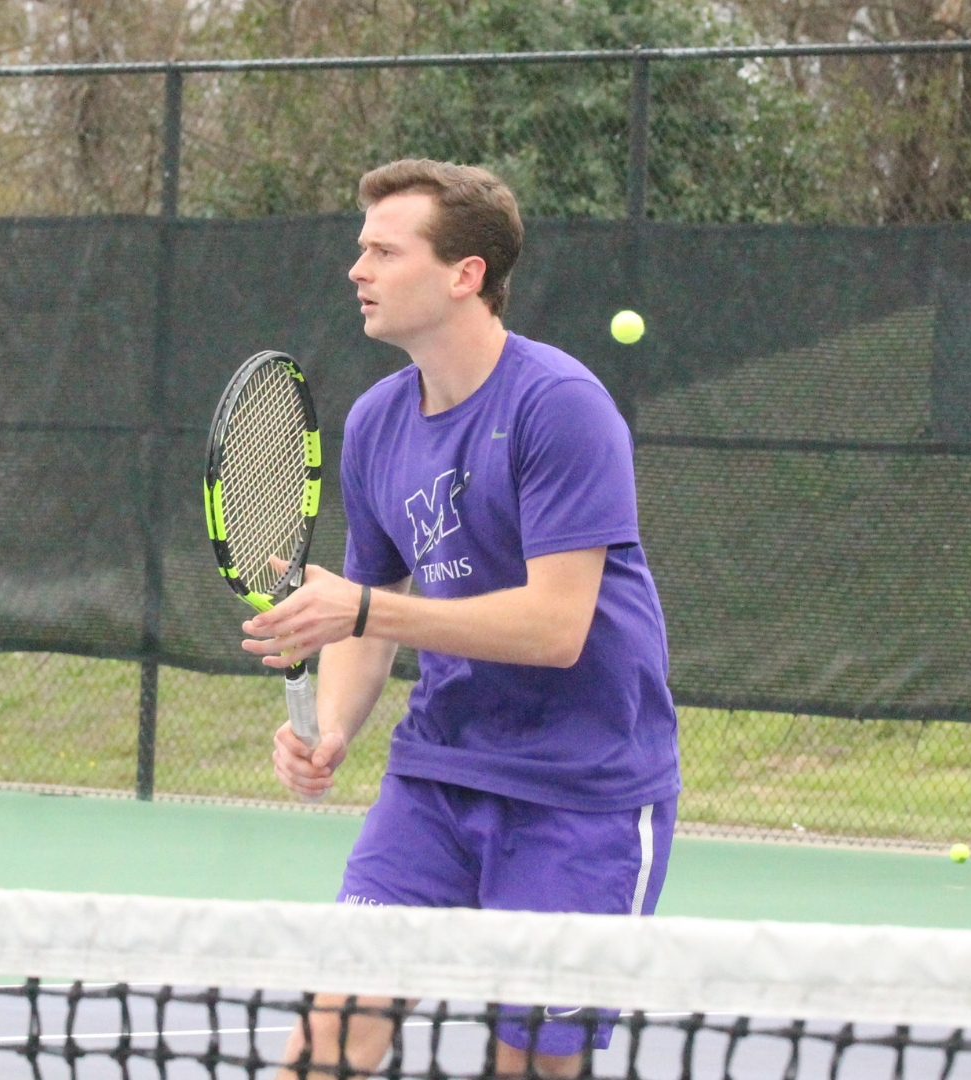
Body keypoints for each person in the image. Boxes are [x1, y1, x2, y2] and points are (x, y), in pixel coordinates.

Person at [240, 159, 681, 1079]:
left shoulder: (558, 407)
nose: (356, 270)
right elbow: (371, 612)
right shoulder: (373, 424)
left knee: (531, 1067)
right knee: (330, 1036)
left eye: (383, 251)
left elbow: (557, 627)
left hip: (582, 791)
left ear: (464, 274)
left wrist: (364, 606)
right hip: (438, 775)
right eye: (360, 250)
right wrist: (332, 728)